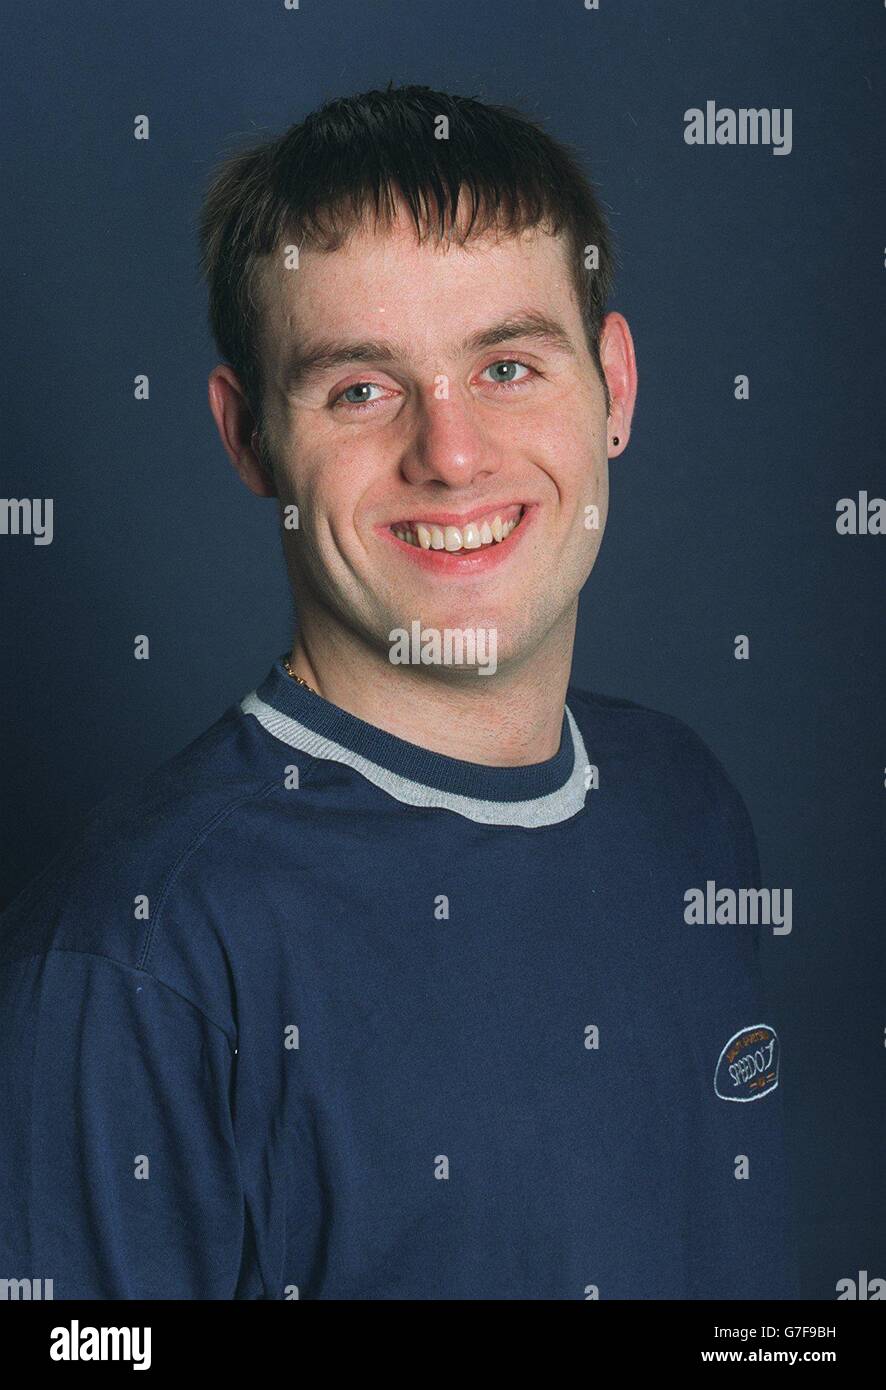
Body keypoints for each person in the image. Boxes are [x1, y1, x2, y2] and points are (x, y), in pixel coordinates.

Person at [0, 84, 798, 1299]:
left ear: (614, 389)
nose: (454, 453)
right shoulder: (131, 962)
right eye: (360, 388)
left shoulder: (684, 804)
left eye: (510, 364)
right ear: (251, 437)